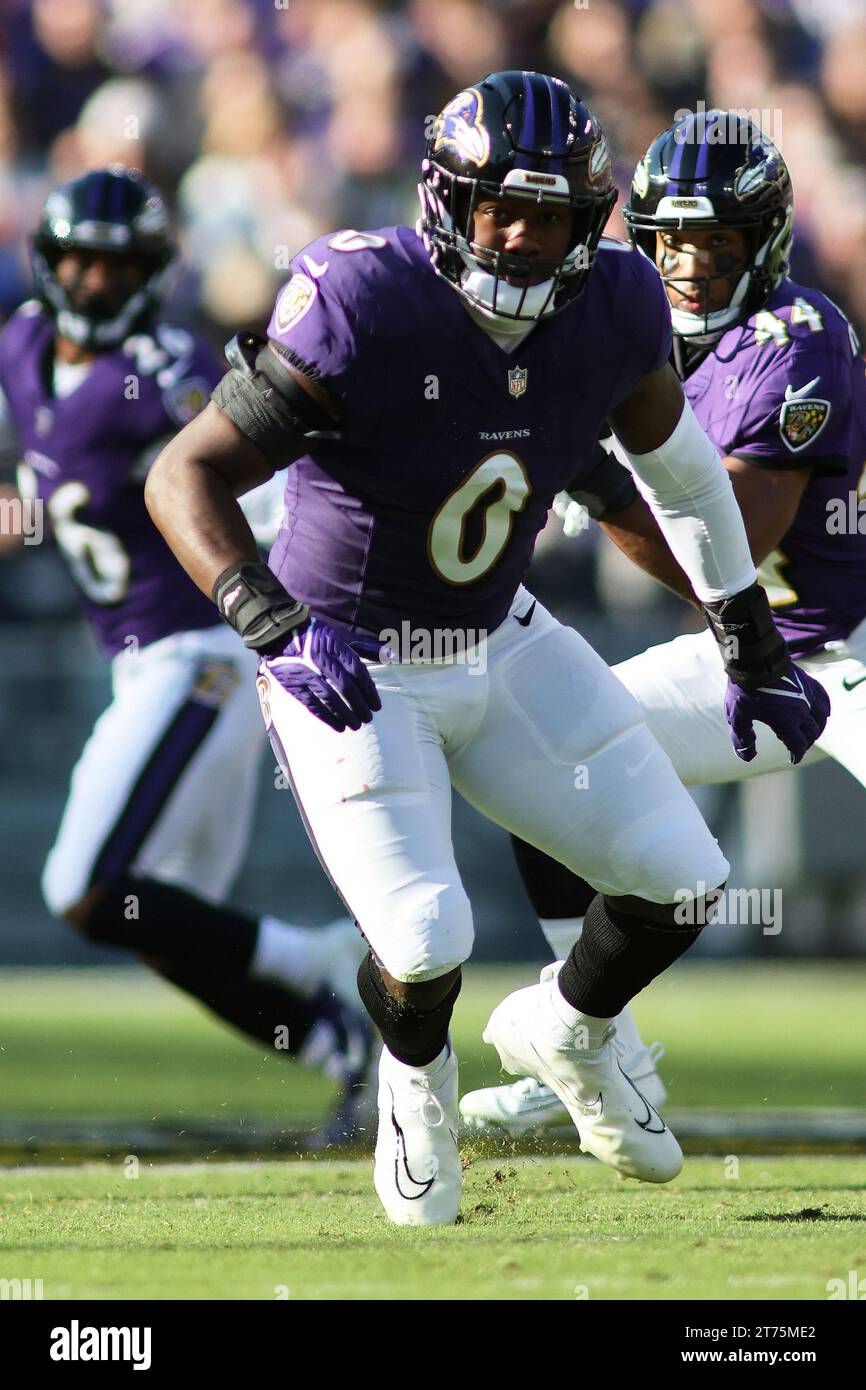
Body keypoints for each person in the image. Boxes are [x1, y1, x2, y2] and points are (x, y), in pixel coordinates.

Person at [144, 75, 829, 1225]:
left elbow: (683, 479)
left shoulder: (613, 302)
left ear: (589, 219)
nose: (516, 235)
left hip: (499, 637)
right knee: (423, 937)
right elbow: (185, 472)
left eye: (548, 213)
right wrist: (271, 622)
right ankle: (413, 1085)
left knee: (682, 876)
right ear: (443, 201)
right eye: (493, 207)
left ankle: (568, 1029)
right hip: (351, 655)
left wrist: (748, 635)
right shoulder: (362, 298)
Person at [461, 108, 866, 1137]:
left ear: (762, 242)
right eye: (670, 242)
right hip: (749, 653)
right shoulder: (609, 319)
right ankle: (596, 1049)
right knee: (548, 759)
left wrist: (593, 481)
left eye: (714, 243)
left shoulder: (795, 338)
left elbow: (721, 548)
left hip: (838, 645)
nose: (687, 266)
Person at [0, 166, 373, 1141]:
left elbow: (257, 486)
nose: (88, 280)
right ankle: (347, 1051)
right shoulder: (24, 345)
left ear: (152, 271)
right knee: (157, 922)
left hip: (198, 650)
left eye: (111, 263)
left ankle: (319, 954)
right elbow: (50, 479)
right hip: (143, 658)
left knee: (84, 887)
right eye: (75, 260)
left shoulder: (166, 370)